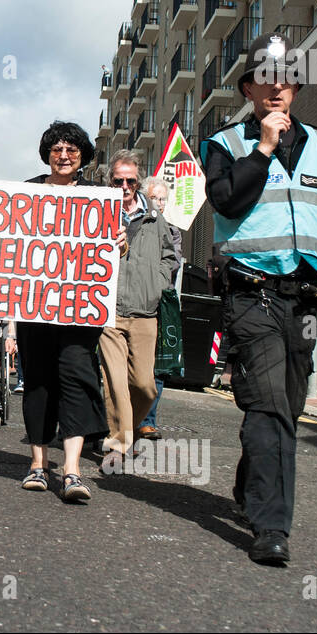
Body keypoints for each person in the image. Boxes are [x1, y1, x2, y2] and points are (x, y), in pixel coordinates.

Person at [204, 31, 317, 565]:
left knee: (288, 407)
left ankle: (249, 489)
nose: (275, 88)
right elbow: (226, 199)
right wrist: (262, 148)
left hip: (304, 301)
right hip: (250, 293)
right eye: (264, 78)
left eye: (284, 79)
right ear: (249, 89)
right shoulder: (225, 143)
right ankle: (271, 527)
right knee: (270, 406)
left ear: (297, 88)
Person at [0, 121, 108, 501]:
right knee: (37, 381)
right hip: (36, 308)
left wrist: (119, 244)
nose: (64, 155)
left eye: (71, 149)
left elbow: (113, 253)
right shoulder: (26, 192)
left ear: (82, 155)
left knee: (76, 380)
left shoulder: (98, 196)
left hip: (80, 311)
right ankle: (38, 463)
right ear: (47, 154)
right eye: (57, 149)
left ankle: (71, 471)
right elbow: (4, 239)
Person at [99, 149, 177, 457]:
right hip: (109, 312)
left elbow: (170, 257)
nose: (124, 186)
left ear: (138, 181)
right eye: (118, 181)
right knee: (116, 384)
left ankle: (126, 428)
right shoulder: (100, 212)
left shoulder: (154, 218)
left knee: (145, 386)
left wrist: (157, 284)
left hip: (146, 312)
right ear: (111, 181)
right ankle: (119, 443)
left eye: (130, 181)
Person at [138, 177, 183, 440]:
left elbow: (171, 265)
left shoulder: (172, 231)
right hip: (133, 302)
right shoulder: (134, 225)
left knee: (158, 367)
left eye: (163, 198)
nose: (160, 203)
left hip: (160, 304)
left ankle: (148, 420)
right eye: (155, 198)